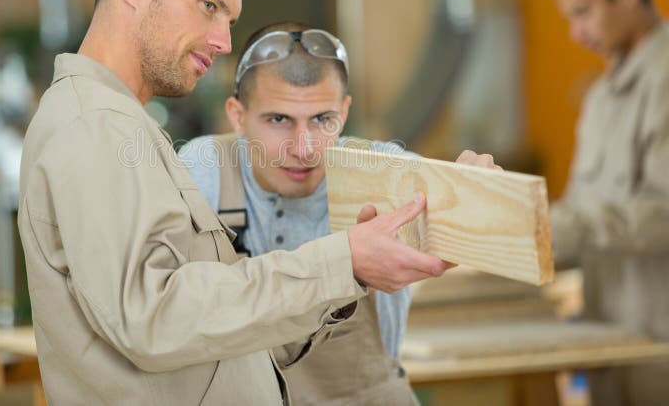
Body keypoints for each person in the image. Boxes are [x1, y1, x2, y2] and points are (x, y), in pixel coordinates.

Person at [18, 0, 455, 405]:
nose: (224, 42)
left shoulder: (118, 121)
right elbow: (153, 317)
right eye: (209, 6)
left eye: (229, 19)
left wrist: (353, 269)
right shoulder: (96, 125)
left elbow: (207, 326)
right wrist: (343, 262)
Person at [179, 21, 501, 405]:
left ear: (344, 111)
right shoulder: (203, 171)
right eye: (279, 120)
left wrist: (479, 194)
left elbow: (468, 211)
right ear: (237, 115)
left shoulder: (381, 172)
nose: (304, 148)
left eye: (322, 119)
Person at [544, 0, 669, 405]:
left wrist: (559, 226)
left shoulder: (664, 82)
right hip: (607, 339)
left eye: (584, 11)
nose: (576, 33)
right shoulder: (599, 98)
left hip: (659, 346)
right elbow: (579, 212)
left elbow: (662, 214)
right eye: (569, 19)